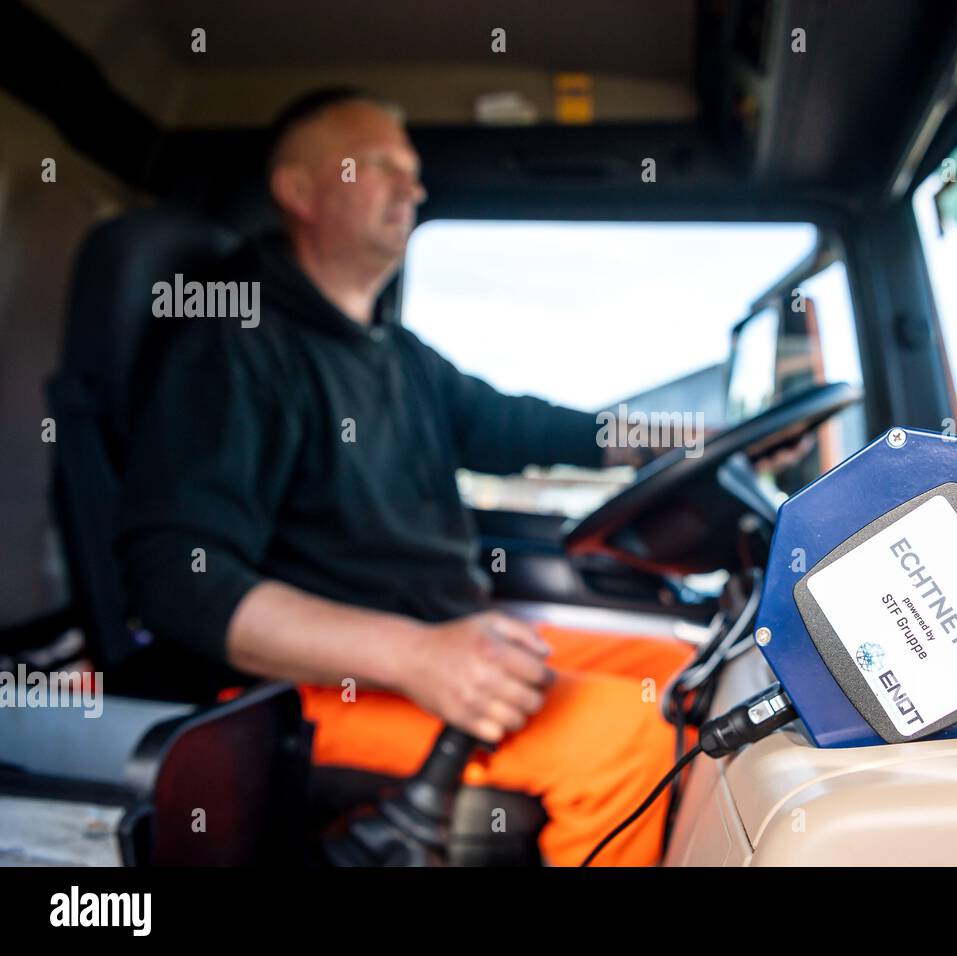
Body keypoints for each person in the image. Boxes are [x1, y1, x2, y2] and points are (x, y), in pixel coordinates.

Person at [117, 88, 694, 866]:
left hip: (449, 633)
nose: (413, 189)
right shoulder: (234, 342)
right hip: (306, 688)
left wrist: (681, 436)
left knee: (679, 673)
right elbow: (177, 579)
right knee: (621, 737)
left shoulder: (397, 354)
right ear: (299, 190)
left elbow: (524, 427)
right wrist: (414, 657)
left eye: (415, 173)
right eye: (383, 167)